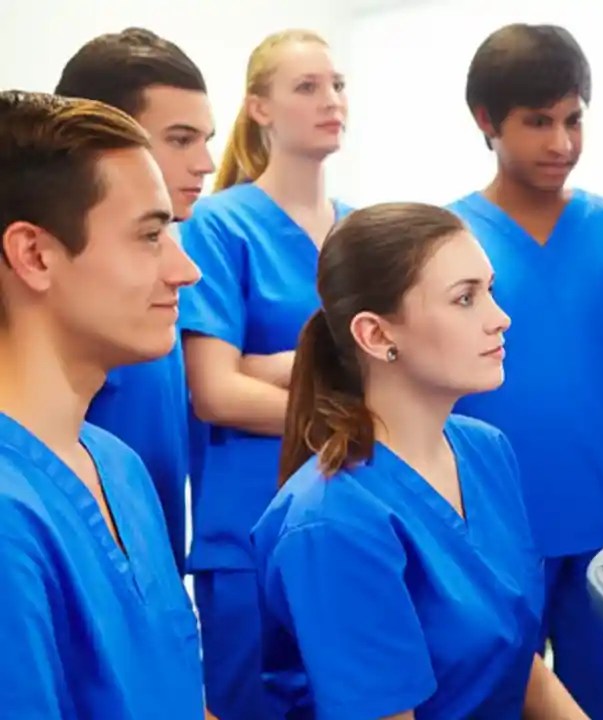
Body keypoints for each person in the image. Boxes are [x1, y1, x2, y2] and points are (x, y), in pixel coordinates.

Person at [251, 202, 588, 719]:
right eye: (465, 299)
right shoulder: (334, 524)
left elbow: (514, 658)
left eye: (490, 290)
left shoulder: (486, 451)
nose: (500, 319)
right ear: (377, 335)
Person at [448, 23, 603, 719]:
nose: (561, 143)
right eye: (538, 122)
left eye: (573, 119)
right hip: (493, 530)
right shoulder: (446, 245)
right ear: (486, 120)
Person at [0, 90, 203, 717]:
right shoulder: (10, 518)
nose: (186, 270)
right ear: (34, 255)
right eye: (150, 236)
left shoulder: (117, 466)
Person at [178, 28, 352, 720]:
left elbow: (390, 369)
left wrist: (271, 366)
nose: (331, 100)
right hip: (250, 529)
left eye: (337, 85)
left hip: (350, 520)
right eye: (307, 87)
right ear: (259, 108)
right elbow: (216, 391)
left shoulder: (361, 233)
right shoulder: (219, 225)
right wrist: (344, 409)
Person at [54, 26, 217, 576]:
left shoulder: (172, 268)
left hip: (154, 560)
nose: (206, 163)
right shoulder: (77, 293)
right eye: (180, 139)